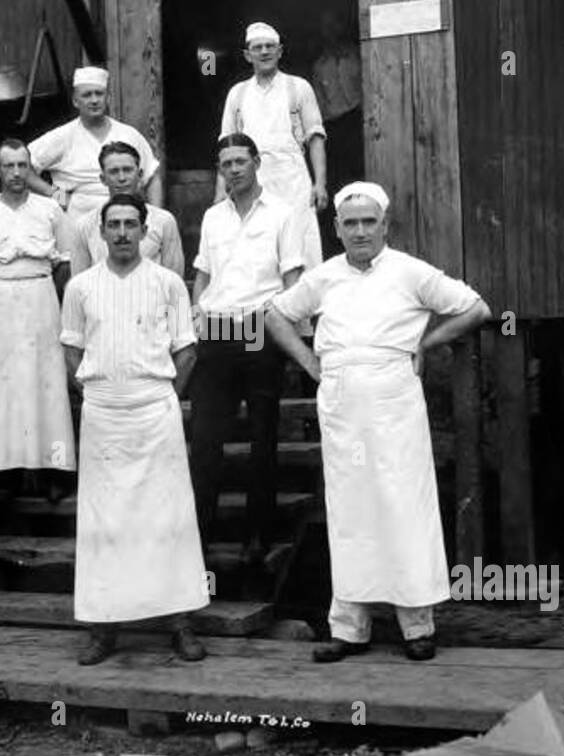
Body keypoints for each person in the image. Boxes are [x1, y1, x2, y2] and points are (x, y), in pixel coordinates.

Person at [264, 182, 492, 662]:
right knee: (350, 510)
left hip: (394, 398)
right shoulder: (323, 277)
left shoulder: (411, 272)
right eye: (351, 223)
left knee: (402, 504)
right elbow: (276, 316)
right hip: (342, 402)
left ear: (385, 225)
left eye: (370, 222)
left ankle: (416, 626)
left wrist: (425, 345)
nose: (361, 231)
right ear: (337, 229)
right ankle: (349, 628)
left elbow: (476, 308)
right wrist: (310, 364)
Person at [61, 193, 209, 666]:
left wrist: (161, 398)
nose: (122, 233)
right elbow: (71, 350)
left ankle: (180, 623)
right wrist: (100, 397)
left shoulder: (169, 284)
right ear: (101, 232)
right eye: (114, 224)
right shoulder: (80, 287)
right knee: (105, 524)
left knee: (168, 519)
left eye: (131, 224)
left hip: (154, 413)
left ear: (145, 231)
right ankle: (104, 627)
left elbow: (187, 352)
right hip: (104, 414)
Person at [190, 133, 304, 564]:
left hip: (259, 326)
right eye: (226, 164)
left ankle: (257, 536)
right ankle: (199, 538)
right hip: (217, 329)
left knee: (262, 437)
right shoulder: (213, 217)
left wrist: (285, 326)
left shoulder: (281, 213)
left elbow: (293, 276)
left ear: (256, 162)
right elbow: (202, 273)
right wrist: (199, 312)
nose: (233, 169)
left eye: (240, 161)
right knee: (205, 440)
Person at [0, 138, 76, 500]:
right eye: (8, 166)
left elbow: (64, 262)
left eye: (22, 165)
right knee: (5, 386)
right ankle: (9, 474)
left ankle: (54, 472)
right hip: (1, 299)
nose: (16, 173)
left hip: (42, 295)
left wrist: (46, 294)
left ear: (30, 168)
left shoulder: (50, 210)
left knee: (49, 383)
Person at [218, 21, 326, 271]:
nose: (264, 52)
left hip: (293, 179)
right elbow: (226, 143)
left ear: (280, 51)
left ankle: (304, 305)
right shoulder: (238, 94)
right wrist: (221, 190)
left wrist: (320, 183)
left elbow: (315, 137)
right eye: (258, 48)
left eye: (270, 46)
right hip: (252, 179)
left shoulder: (298, 87)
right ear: (248, 55)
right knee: (259, 242)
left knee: (300, 243)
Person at [27, 67, 163, 225]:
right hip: (77, 219)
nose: (94, 100)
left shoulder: (128, 135)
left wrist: (155, 219)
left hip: (125, 217)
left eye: (99, 94)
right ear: (75, 101)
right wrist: (59, 196)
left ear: (108, 98)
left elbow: (152, 176)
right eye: (87, 95)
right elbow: (25, 166)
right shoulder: (63, 136)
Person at [68, 140, 184, 277]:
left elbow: (174, 280)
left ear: (140, 174)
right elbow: (78, 283)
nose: (122, 178)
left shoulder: (164, 221)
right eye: (114, 172)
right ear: (103, 179)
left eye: (127, 170)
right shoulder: (85, 225)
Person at [311, 11, 363, 257]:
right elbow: (319, 103)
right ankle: (337, 240)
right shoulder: (320, 65)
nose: (331, 31)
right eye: (326, 27)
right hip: (333, 127)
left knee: (358, 178)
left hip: (357, 122)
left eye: (335, 25)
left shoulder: (358, 56)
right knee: (337, 181)